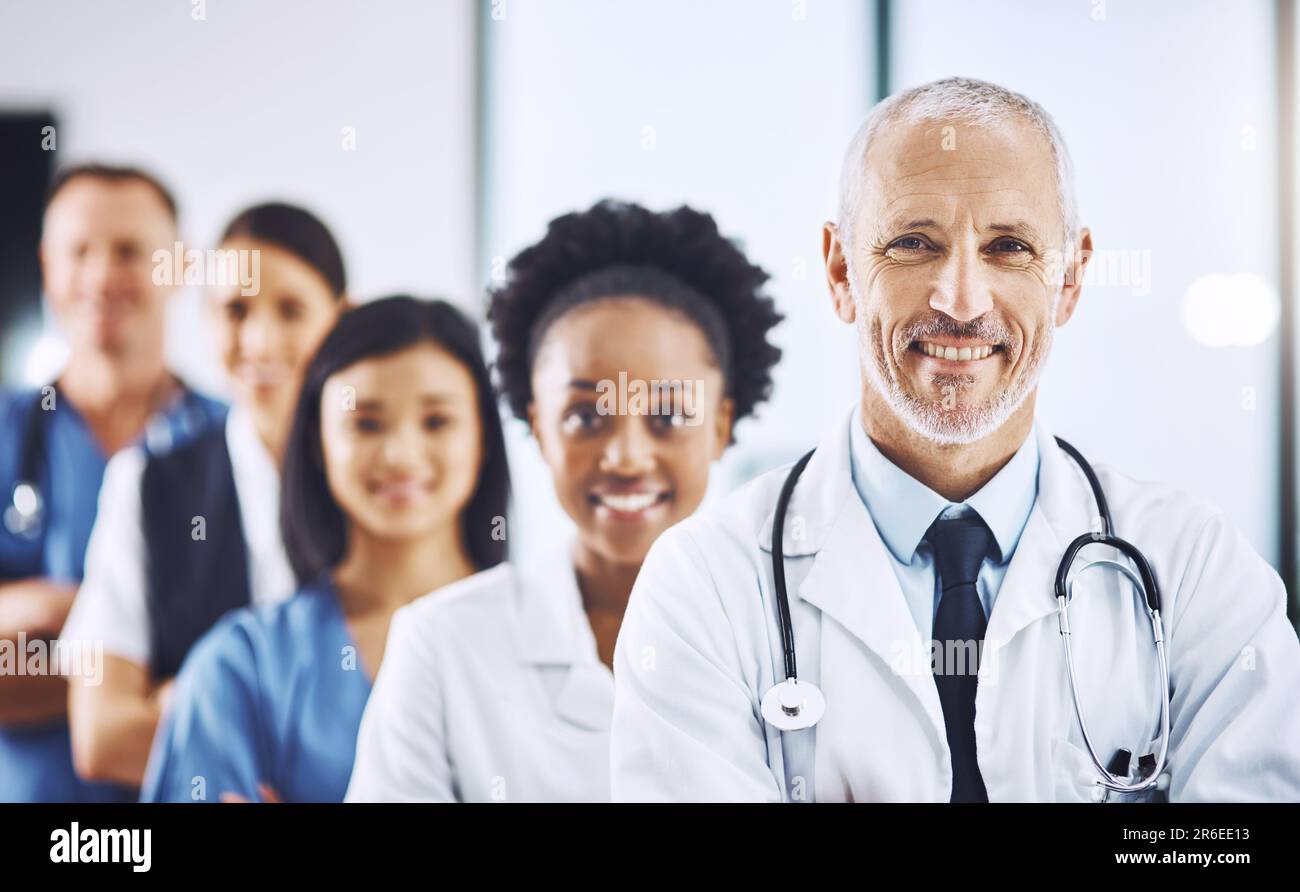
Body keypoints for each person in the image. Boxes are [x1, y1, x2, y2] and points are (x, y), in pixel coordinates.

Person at [609, 77, 1300, 802]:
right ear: (841, 271)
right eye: (913, 243)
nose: (961, 301)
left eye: (1009, 246)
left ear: (1070, 279)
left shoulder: (1195, 568)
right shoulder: (705, 585)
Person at [345, 200, 783, 802]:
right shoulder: (440, 645)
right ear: (538, 425)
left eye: (668, 415)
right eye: (584, 416)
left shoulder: (794, 635)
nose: (626, 457)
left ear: (720, 424)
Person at [141, 296, 509, 802]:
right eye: (366, 423)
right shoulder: (241, 669)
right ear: (317, 441)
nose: (401, 455)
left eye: (437, 421)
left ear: (483, 435)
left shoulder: (559, 638)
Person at [61, 202, 347, 790]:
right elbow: (103, 733)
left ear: (342, 319)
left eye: (291, 310)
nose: (260, 340)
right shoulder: (146, 483)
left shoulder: (379, 484)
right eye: (236, 311)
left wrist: (191, 711)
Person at [0, 164, 225, 802]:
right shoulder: (9, 434)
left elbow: (260, 667)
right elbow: (209, 669)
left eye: (129, 251)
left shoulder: (235, 444)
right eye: (79, 252)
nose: (101, 277)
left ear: (180, 267)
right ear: (47, 266)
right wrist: (138, 654)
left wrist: (48, 616)